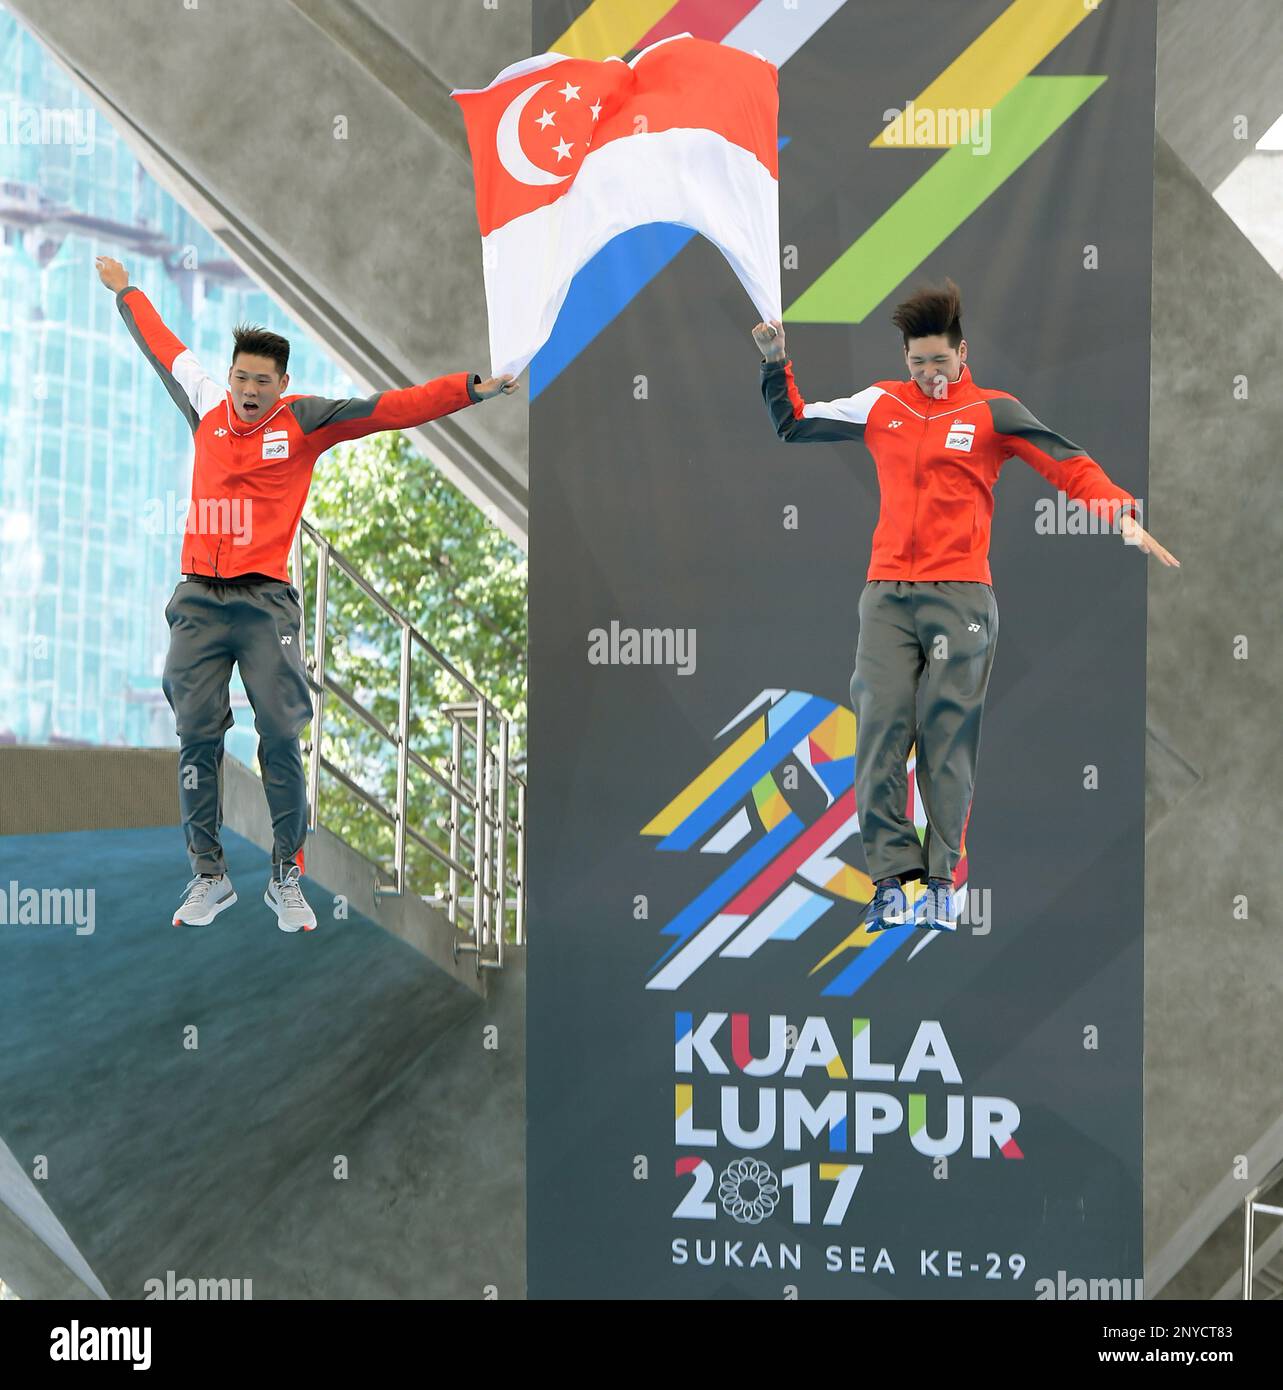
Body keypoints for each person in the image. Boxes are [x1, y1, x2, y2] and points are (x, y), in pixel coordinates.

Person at [96, 254, 518, 932]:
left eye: (260, 381)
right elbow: (161, 344)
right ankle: (208, 876)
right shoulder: (206, 404)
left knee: (280, 733)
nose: (246, 391)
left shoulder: (306, 421)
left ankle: (286, 875)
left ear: (281, 383)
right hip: (199, 603)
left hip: (265, 605)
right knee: (196, 735)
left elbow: (391, 410)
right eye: (240, 378)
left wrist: (471, 388)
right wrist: (126, 290)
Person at [752, 278, 1177, 934]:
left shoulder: (991, 412)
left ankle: (942, 880)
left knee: (946, 739)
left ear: (962, 353)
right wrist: (774, 362)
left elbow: (1069, 464)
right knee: (879, 730)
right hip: (886, 595)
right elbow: (795, 421)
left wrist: (1119, 513)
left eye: (939, 362)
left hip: (961, 599)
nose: (927, 375)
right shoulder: (881, 403)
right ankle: (893, 880)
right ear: (904, 361)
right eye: (916, 362)